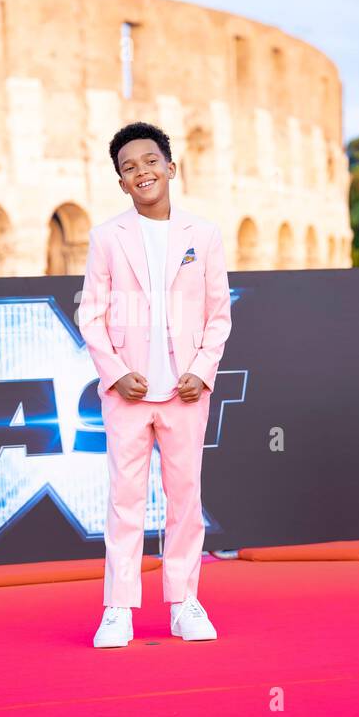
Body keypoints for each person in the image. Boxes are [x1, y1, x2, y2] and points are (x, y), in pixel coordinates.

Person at [78, 121, 232, 648]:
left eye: (149, 162)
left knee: (185, 499)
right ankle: (117, 607)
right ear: (121, 183)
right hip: (128, 395)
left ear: (170, 167)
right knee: (125, 501)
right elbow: (91, 317)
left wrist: (201, 370)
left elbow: (219, 315)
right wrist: (118, 375)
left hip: (186, 393)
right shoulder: (106, 238)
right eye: (128, 168)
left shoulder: (204, 235)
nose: (140, 172)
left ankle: (185, 603)